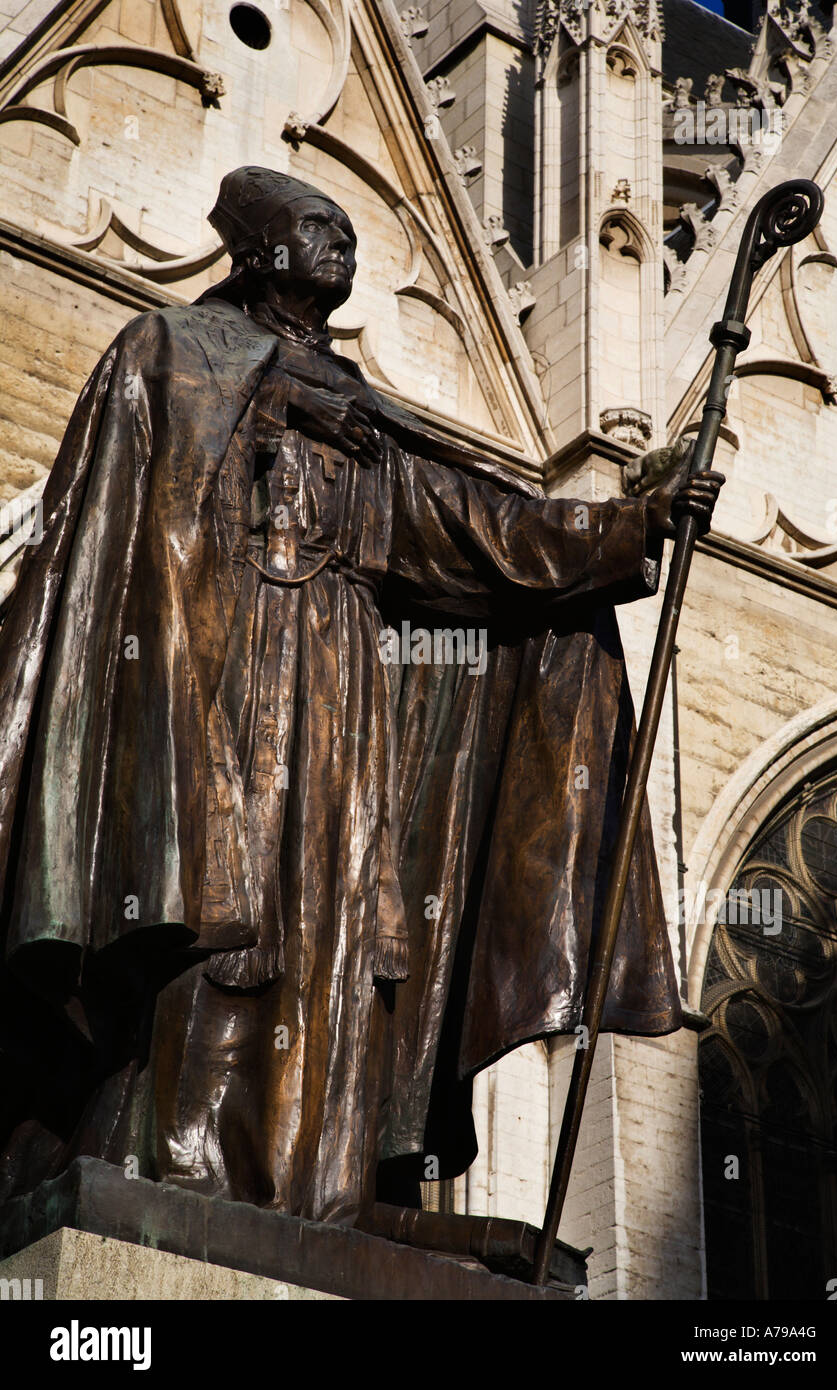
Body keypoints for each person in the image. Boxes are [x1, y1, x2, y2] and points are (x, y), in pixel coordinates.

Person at [0, 167, 722, 1224]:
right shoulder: (171, 353)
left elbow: (473, 526)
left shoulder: (365, 415)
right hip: (208, 688)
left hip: (344, 695)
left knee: (336, 929)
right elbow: (118, 543)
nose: (338, 246)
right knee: (212, 917)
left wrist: (626, 525)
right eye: (312, 228)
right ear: (255, 252)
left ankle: (320, 1192)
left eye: (345, 231)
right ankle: (172, 1167)